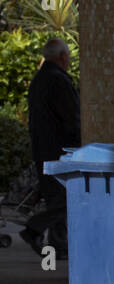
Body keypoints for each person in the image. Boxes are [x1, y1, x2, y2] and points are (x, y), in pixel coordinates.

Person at [22, 37, 80, 256]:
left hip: (43, 148)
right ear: (63, 56)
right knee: (65, 199)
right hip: (59, 150)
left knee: (56, 196)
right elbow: (71, 118)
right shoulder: (58, 81)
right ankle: (34, 228)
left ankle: (59, 243)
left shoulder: (40, 79)